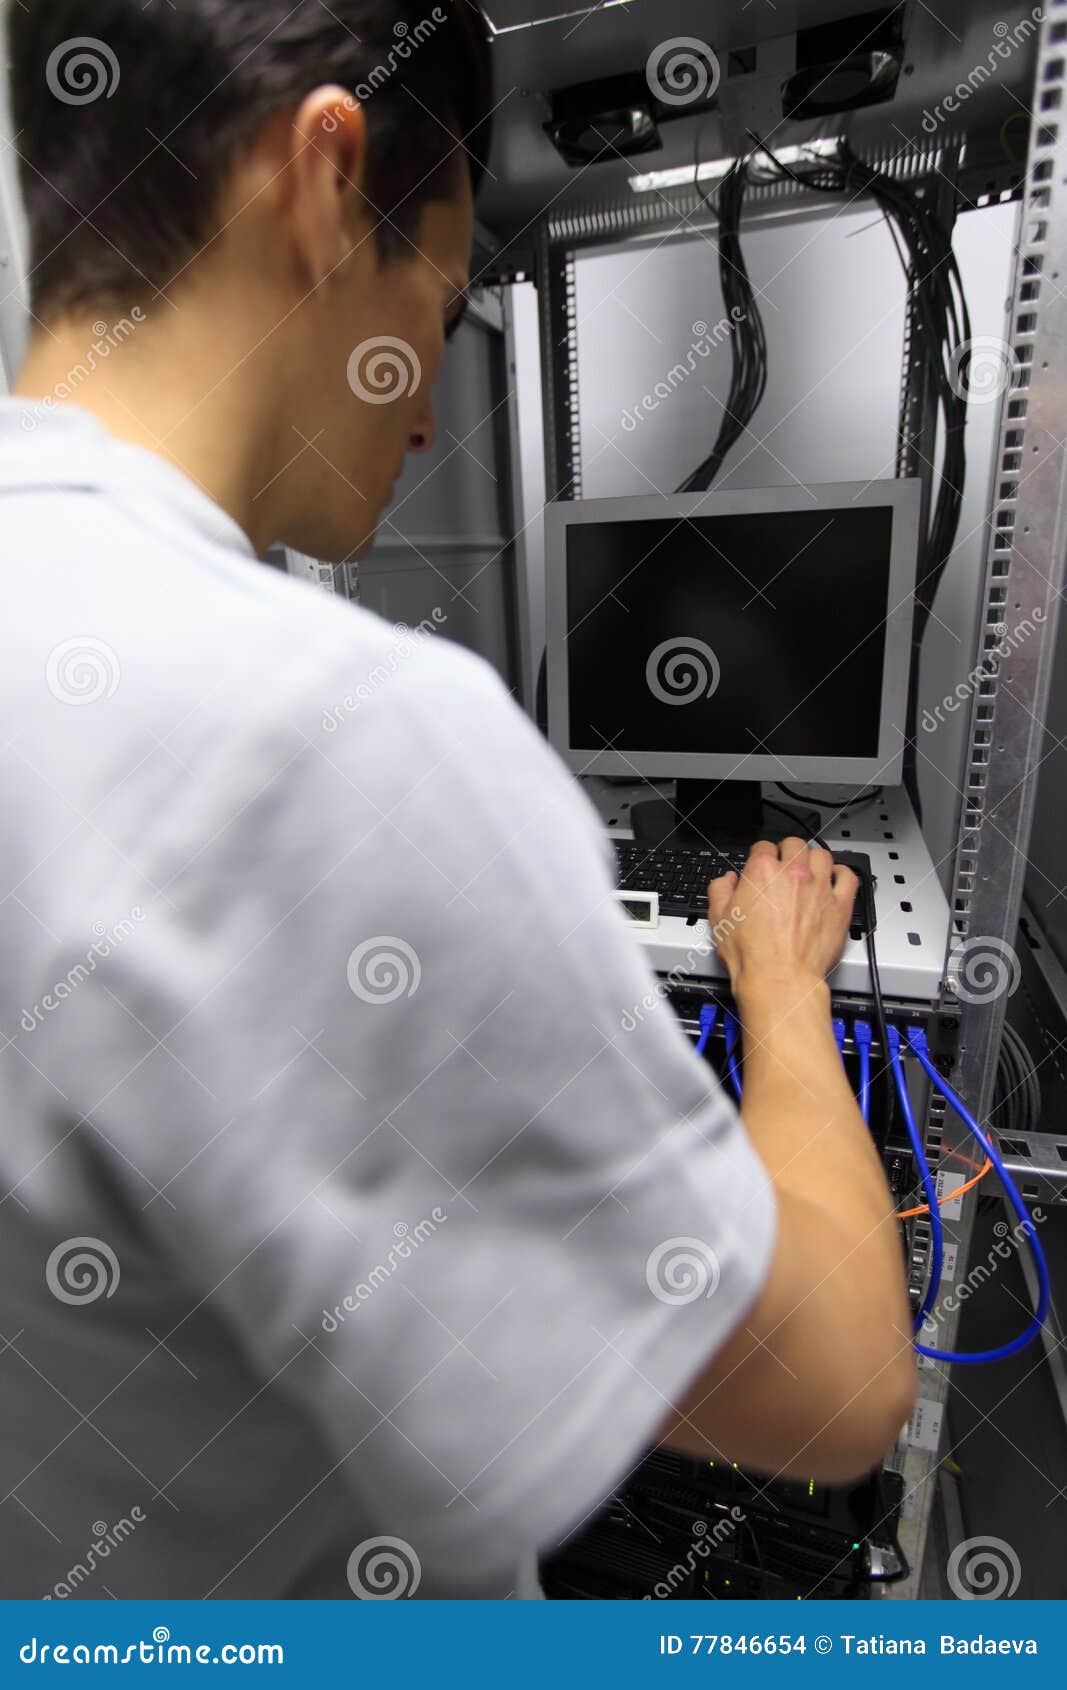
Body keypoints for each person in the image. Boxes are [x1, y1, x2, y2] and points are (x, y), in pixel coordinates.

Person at [0, 0, 914, 1600]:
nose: (427, 400)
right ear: (323, 179)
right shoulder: (339, 735)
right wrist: (777, 988)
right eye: (442, 286)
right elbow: (836, 1383)